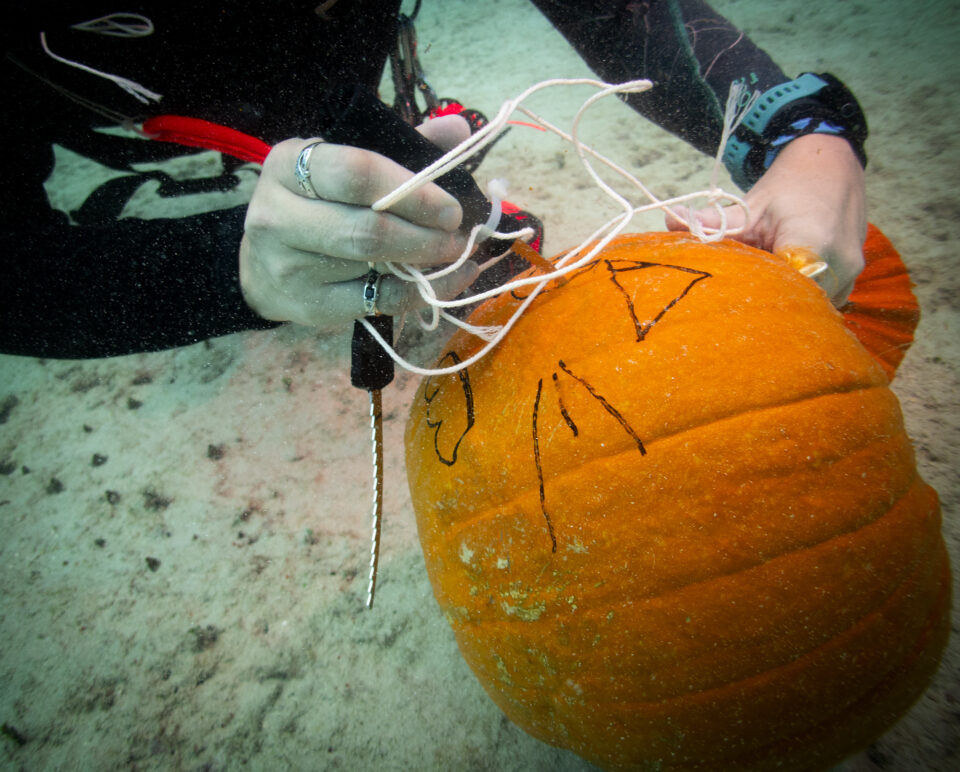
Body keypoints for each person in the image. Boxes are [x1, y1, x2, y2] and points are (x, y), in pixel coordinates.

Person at [0, 0, 867, 360]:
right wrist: (229, 270)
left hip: (330, 101)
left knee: (453, 224)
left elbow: (625, 15)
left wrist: (802, 134)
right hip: (139, 114)